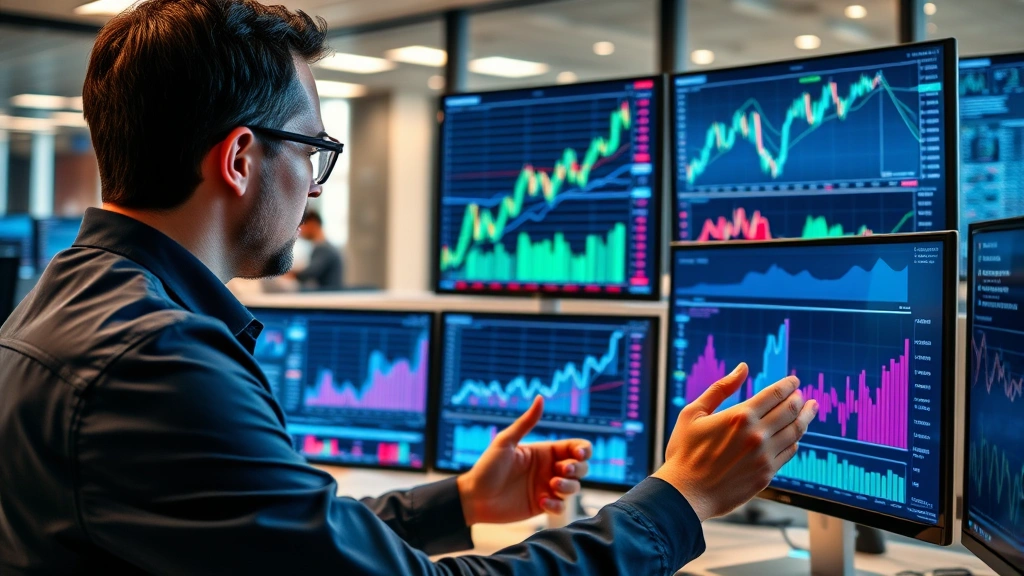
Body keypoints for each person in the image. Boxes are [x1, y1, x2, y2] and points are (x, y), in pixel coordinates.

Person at [0, 1, 818, 574]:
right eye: (313, 150)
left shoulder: (67, 304)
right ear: (242, 159)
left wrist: (457, 501)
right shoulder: (157, 359)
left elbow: (275, 533)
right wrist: (678, 499)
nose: (315, 186)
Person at [288, 209, 344, 291]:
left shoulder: (324, 248)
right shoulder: (327, 247)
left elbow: (309, 273)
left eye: (302, 225)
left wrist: (289, 274)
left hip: (327, 296)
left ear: (312, 224)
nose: (300, 231)